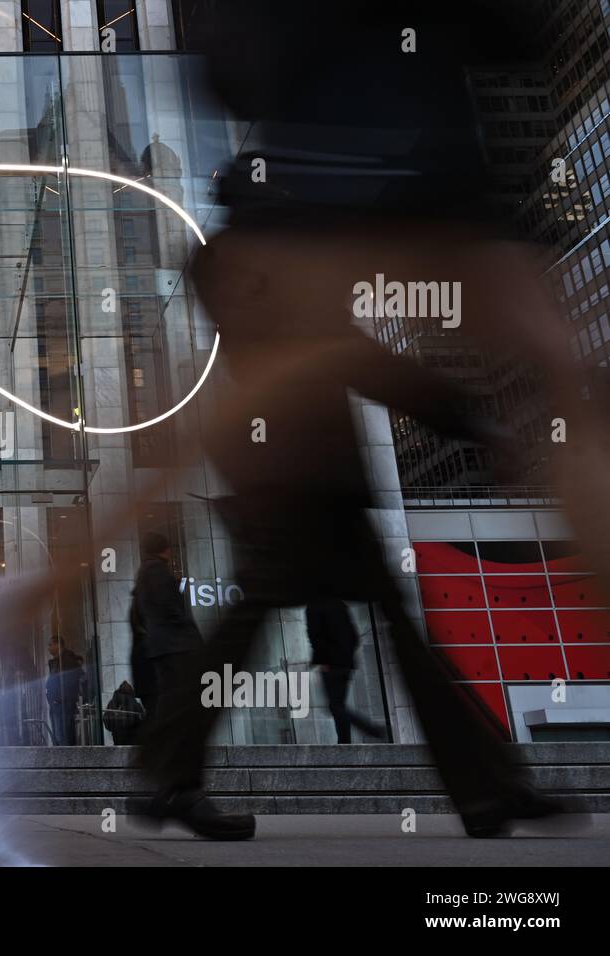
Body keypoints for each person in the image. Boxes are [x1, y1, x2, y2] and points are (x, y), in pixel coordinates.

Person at [134, 0, 576, 841]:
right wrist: (472, 422)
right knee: (311, 626)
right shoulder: (261, 264)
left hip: (308, 469)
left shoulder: (262, 254)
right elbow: (345, 360)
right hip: (292, 471)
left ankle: (485, 787)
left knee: (365, 628)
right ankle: (168, 776)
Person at [130, 532, 205, 780]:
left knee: (167, 703)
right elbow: (171, 609)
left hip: (161, 649)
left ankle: (155, 751)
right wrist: (189, 633)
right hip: (173, 647)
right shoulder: (157, 573)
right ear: (164, 550)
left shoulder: (143, 578)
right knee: (174, 702)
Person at [305, 599, 387, 744]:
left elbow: (315, 636)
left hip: (330, 664)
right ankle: (344, 742)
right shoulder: (340, 605)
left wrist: (324, 660)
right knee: (339, 705)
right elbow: (354, 637)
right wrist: (346, 656)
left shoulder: (314, 606)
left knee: (335, 707)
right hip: (346, 664)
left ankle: (370, 729)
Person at [45, 635, 85, 746]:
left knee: (63, 739)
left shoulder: (67, 661)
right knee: (58, 739)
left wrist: (61, 698)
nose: (48, 648)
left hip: (63, 705)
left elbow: (74, 680)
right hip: (56, 705)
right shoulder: (57, 662)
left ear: (58, 645)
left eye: (50, 645)